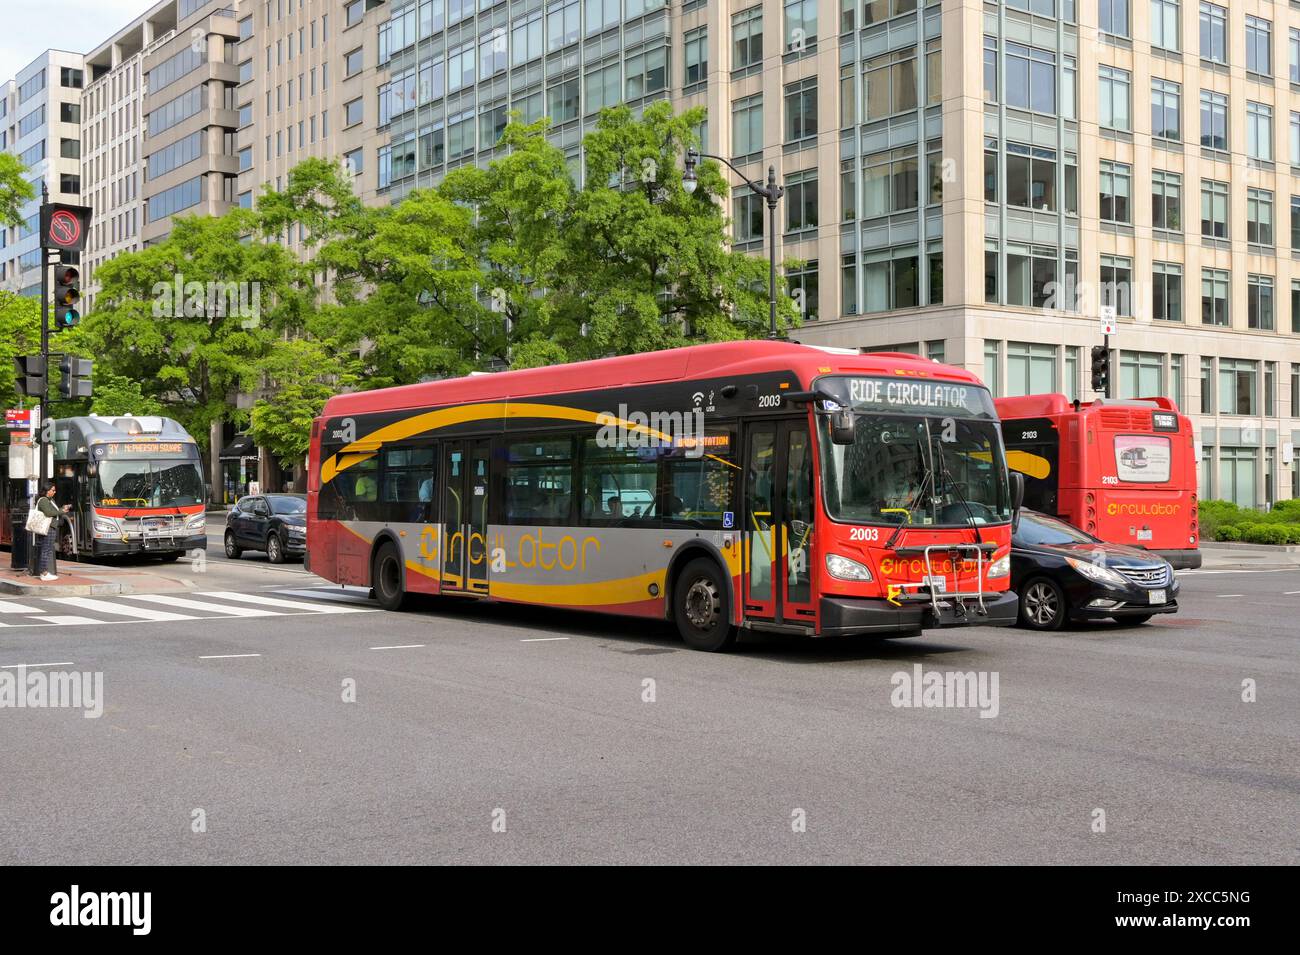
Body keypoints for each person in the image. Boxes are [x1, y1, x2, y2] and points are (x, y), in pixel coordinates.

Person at [34, 482, 71, 581]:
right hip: (47, 528)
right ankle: (43, 573)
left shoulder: (50, 500)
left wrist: (62, 509)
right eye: (53, 490)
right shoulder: (43, 500)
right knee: (46, 550)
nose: (55, 492)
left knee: (47, 549)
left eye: (55, 490)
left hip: (51, 527)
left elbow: (54, 511)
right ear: (47, 491)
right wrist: (62, 511)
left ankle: (44, 572)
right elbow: (49, 513)